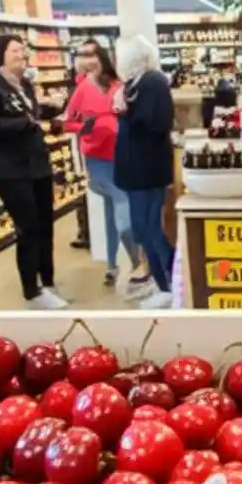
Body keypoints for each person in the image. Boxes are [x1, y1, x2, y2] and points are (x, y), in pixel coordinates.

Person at [0, 34, 67, 310]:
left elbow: (33, 118)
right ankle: (32, 291)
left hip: (37, 164)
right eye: (15, 50)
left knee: (46, 224)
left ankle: (47, 281)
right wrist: (22, 123)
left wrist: (51, 113)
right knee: (28, 228)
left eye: (23, 50)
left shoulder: (25, 84)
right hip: (11, 169)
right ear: (0, 54)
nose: (21, 54)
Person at [62, 39, 152, 297]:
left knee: (119, 217)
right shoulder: (82, 89)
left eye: (93, 55)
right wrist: (90, 127)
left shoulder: (118, 86)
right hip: (99, 162)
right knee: (119, 217)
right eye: (82, 55)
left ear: (104, 58)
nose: (88, 60)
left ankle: (127, 264)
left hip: (123, 158)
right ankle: (135, 264)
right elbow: (68, 123)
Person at [113, 35, 176, 310]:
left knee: (149, 228)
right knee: (144, 228)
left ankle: (170, 284)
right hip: (137, 169)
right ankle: (163, 281)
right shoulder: (137, 83)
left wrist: (125, 111)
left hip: (147, 170)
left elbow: (156, 123)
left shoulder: (153, 82)